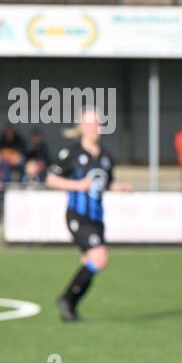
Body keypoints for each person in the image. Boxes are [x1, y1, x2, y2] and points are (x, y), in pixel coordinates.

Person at [46, 109, 133, 321]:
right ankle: (67, 299)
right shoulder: (71, 153)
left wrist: (118, 187)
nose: (95, 128)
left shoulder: (106, 157)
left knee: (90, 262)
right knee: (99, 258)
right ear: (82, 127)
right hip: (78, 215)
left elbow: (104, 183)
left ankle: (70, 308)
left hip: (96, 218)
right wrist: (78, 185)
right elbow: (51, 180)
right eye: (90, 124)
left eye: (97, 124)